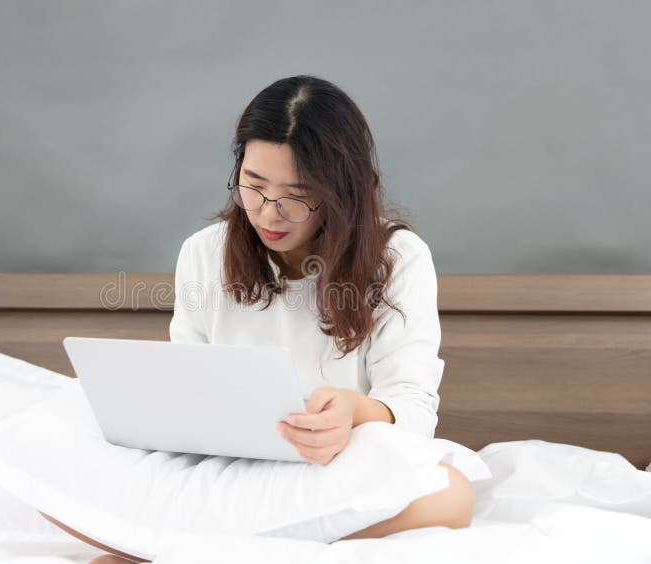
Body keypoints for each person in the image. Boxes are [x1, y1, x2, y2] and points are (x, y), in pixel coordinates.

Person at [66, 74, 474, 564]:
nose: (269, 214)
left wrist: (354, 411)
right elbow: (186, 387)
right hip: (223, 471)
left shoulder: (398, 258)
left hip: (335, 473)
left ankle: (189, 548)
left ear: (341, 191)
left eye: (296, 196)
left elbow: (411, 409)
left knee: (452, 493)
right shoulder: (204, 253)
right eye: (254, 188)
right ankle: (238, 545)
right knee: (55, 457)